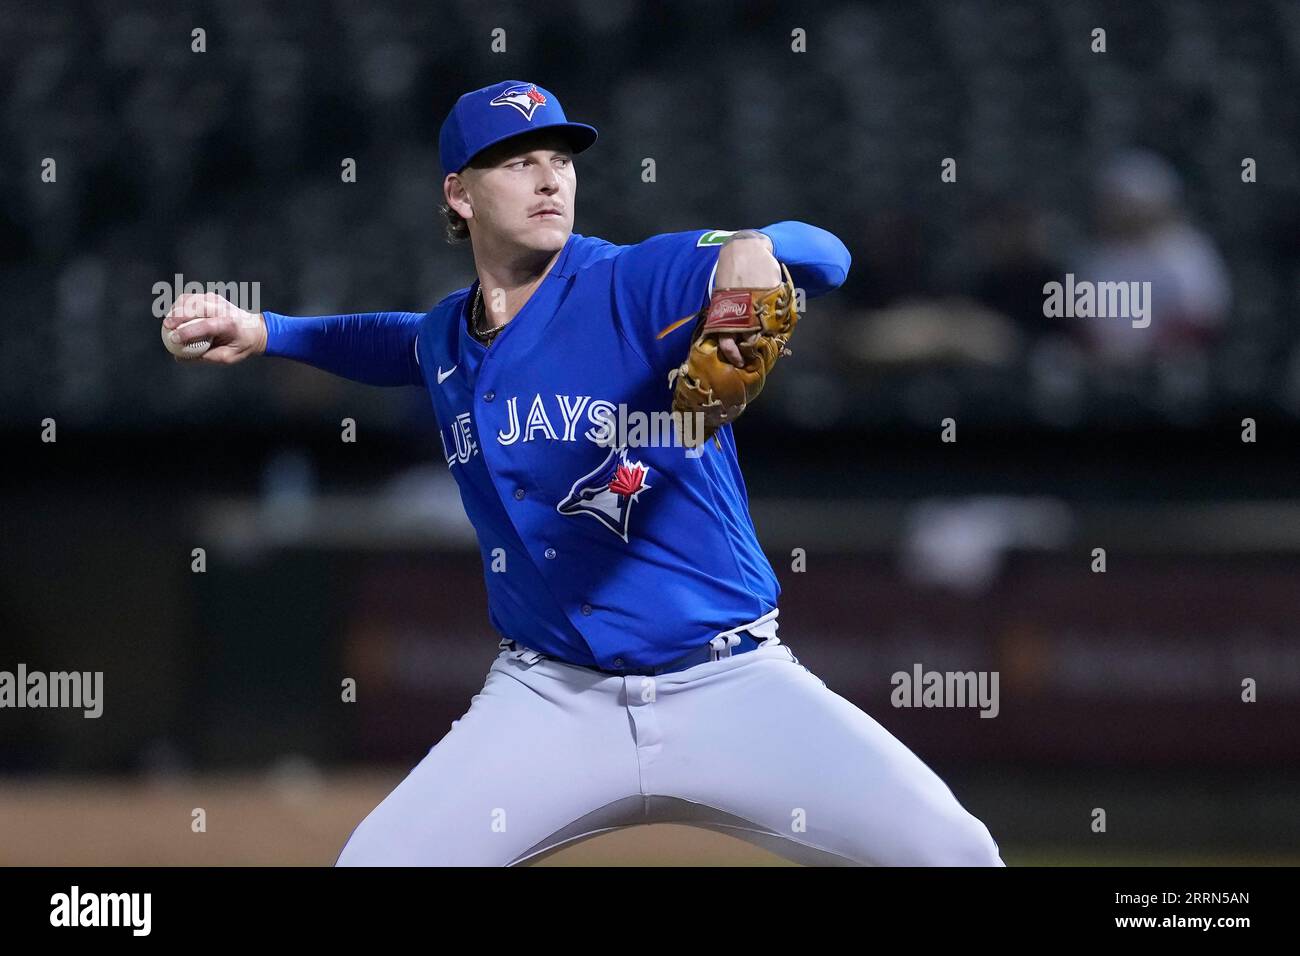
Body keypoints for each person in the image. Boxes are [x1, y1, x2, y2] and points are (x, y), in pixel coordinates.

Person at [164, 79, 1003, 867]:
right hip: (551, 702)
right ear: (460, 194)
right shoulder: (448, 341)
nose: (549, 180)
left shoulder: (627, 282)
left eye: (560, 160)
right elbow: (394, 340)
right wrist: (270, 330)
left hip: (730, 683)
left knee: (959, 855)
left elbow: (826, 256)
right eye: (519, 161)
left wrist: (755, 248)